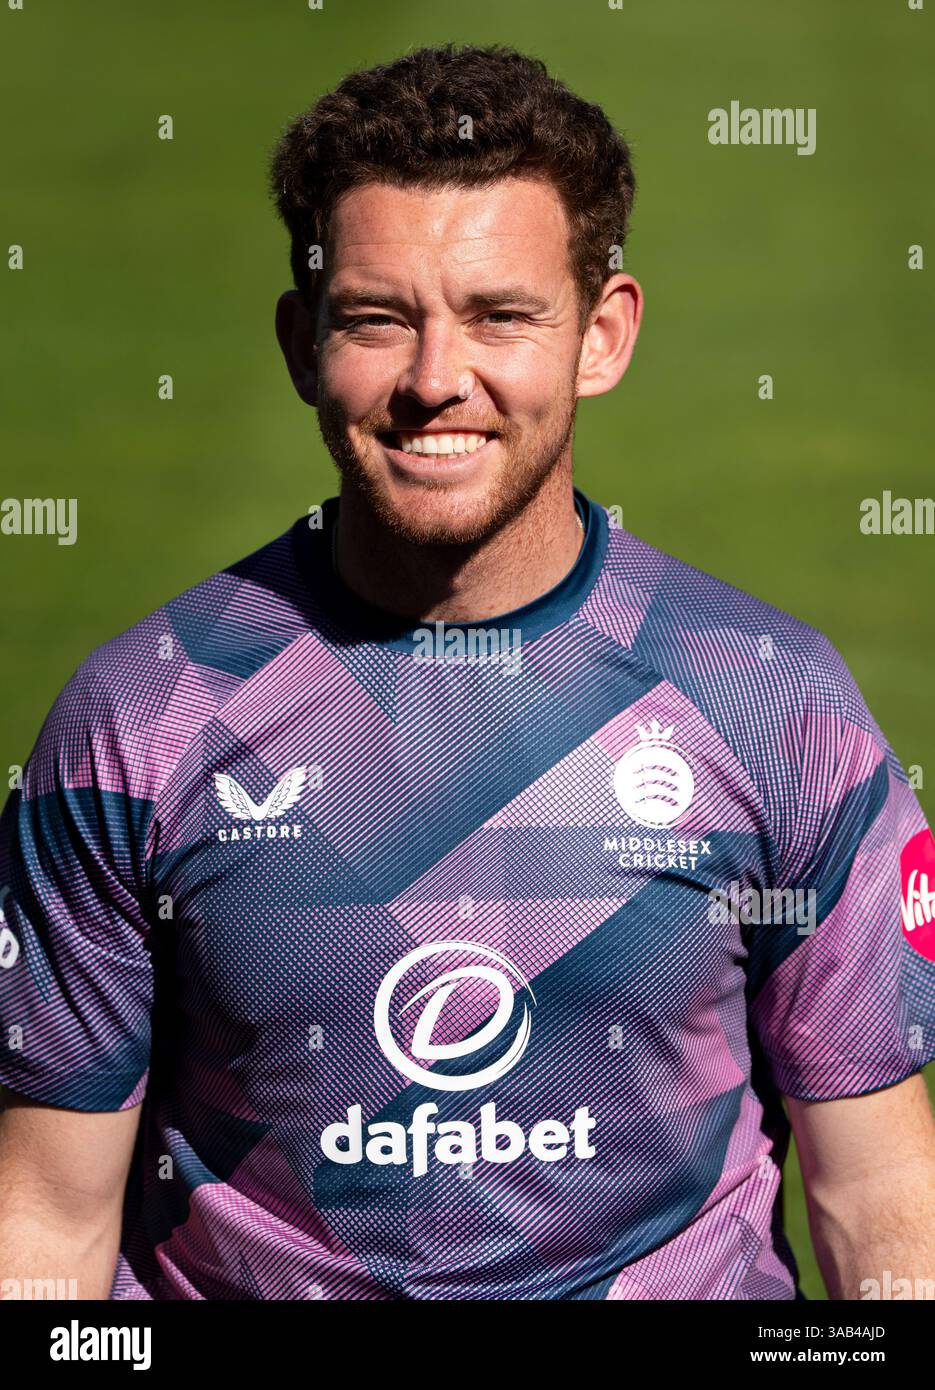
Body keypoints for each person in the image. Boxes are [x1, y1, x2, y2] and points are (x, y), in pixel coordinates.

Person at [1, 44, 933, 1302]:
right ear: (299, 341)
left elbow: (878, 1192)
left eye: (500, 315)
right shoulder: (142, 719)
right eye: (378, 321)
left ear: (601, 335)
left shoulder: (770, 701)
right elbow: (45, 1221)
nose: (437, 381)